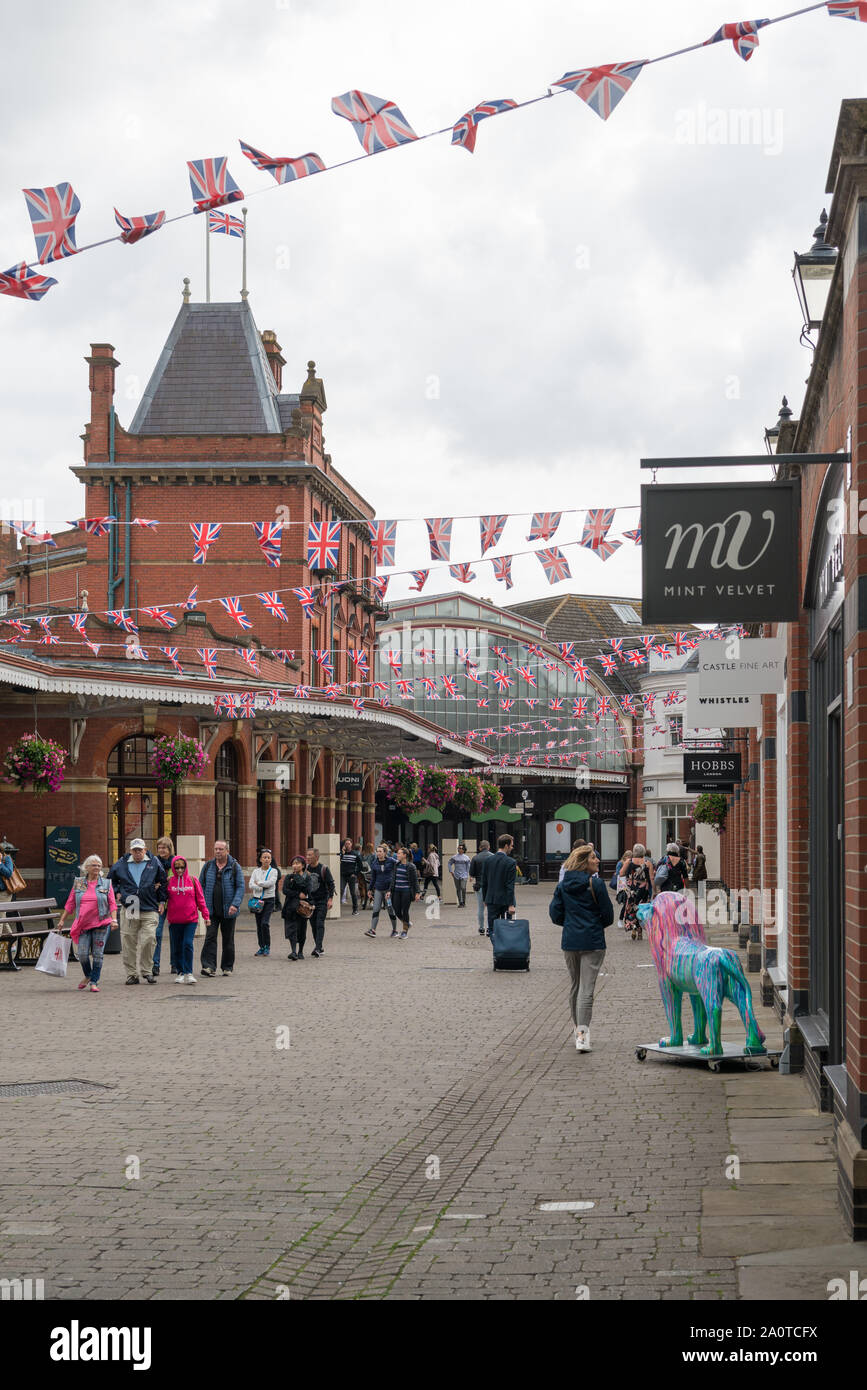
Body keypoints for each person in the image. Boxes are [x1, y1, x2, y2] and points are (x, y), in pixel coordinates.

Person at [549, 844, 613, 1053]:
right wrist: (593, 925)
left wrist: (571, 925)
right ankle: (582, 1036)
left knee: (576, 986)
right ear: (585, 862)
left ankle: (578, 1031)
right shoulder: (597, 885)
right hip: (593, 941)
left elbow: (555, 914)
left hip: (570, 942)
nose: (598, 861)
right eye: (594, 858)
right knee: (586, 990)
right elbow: (609, 916)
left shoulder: (562, 886)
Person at [109, 838, 167, 985]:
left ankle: (147, 971)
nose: (137, 853)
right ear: (130, 851)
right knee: (129, 941)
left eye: (140, 850)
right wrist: (117, 892)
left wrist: (162, 901)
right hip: (130, 905)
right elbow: (110, 880)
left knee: (149, 939)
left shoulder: (154, 862)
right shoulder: (121, 864)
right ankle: (131, 974)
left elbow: (163, 881)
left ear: (145, 850)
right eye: (135, 850)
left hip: (150, 906)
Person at [57, 855, 117, 993]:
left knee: (97, 954)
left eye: (99, 865)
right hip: (83, 924)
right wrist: (62, 919)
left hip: (101, 923)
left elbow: (112, 904)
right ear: (87, 867)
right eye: (94, 865)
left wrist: (114, 920)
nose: (96, 867)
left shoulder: (106, 883)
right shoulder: (79, 883)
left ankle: (94, 982)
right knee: (83, 954)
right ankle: (89, 975)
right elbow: (70, 902)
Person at [198, 840, 244, 977]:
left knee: (228, 939)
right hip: (211, 910)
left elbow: (241, 887)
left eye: (221, 849)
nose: (218, 851)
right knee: (210, 936)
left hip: (229, 910)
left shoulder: (235, 866)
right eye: (216, 849)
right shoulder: (208, 866)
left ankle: (227, 967)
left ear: (227, 851)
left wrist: (235, 904)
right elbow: (200, 886)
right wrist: (203, 905)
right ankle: (208, 966)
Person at [165, 854, 209, 983]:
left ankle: (189, 972)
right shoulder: (169, 881)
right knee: (177, 946)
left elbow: (200, 900)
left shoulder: (193, 880)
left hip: (190, 920)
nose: (179, 870)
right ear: (173, 868)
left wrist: (206, 916)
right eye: (177, 868)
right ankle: (180, 971)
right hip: (174, 920)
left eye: (182, 868)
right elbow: (162, 898)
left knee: (187, 944)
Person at [481, 833, 517, 938]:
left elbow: (484, 882)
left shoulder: (488, 861)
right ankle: (504, 949)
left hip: (491, 899)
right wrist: (511, 904)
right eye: (511, 845)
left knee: (492, 929)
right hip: (505, 901)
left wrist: (485, 899)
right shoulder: (511, 862)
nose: (512, 848)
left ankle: (497, 948)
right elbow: (510, 885)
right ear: (506, 846)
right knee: (507, 928)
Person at [617, 843, 654, 937]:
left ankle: (633, 927)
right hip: (643, 890)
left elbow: (621, 873)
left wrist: (629, 877)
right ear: (643, 852)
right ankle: (640, 930)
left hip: (631, 890)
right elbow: (652, 878)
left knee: (631, 908)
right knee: (641, 909)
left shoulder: (629, 861)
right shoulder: (648, 863)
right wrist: (654, 890)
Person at [282, 857, 315, 960]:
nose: (295, 865)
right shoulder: (288, 877)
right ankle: (293, 952)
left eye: (297, 863)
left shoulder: (308, 877)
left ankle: (300, 951)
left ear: (303, 865)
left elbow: (308, 891)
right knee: (292, 929)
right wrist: (297, 894)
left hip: (302, 908)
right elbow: (285, 890)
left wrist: (311, 902)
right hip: (290, 907)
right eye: (293, 864)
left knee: (301, 930)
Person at [305, 847, 336, 957]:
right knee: (313, 924)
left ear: (316, 857)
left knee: (319, 923)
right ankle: (320, 946)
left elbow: (331, 884)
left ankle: (317, 948)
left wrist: (330, 899)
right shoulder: (305, 869)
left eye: (310, 855)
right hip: (310, 902)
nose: (307, 857)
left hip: (322, 900)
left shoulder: (323, 869)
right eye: (307, 855)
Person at [151, 835, 174, 977]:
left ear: (169, 849)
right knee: (157, 934)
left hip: (174, 902)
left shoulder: (176, 863)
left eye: (164, 847)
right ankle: (155, 965)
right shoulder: (153, 863)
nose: (161, 850)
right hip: (158, 903)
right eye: (159, 847)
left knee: (174, 934)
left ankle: (175, 964)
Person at [364, 844, 399, 938]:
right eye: (377, 851)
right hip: (378, 889)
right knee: (375, 909)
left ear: (385, 852)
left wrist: (392, 888)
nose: (378, 853)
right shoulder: (374, 863)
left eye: (380, 851)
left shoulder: (391, 861)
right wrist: (370, 889)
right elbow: (373, 878)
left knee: (390, 910)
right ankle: (373, 930)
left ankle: (395, 930)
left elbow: (400, 865)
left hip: (389, 890)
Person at [249, 848, 279, 956]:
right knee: (258, 924)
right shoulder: (255, 871)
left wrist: (259, 884)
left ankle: (267, 946)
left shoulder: (274, 871)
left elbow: (271, 883)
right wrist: (261, 885)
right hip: (257, 900)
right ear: (260, 859)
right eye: (264, 857)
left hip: (269, 900)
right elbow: (250, 884)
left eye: (269, 857)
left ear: (271, 860)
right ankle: (261, 946)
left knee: (264, 923)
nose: (266, 859)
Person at [389, 845, 420, 939]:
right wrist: (389, 890)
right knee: (397, 910)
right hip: (396, 891)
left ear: (405, 855)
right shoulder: (396, 864)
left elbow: (415, 881)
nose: (397, 855)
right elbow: (393, 879)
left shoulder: (411, 866)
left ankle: (404, 931)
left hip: (406, 891)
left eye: (399, 853)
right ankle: (407, 923)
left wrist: (417, 893)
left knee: (405, 911)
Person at [469, 840, 493, 935]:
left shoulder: (475, 858)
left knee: (480, 908)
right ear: (489, 847)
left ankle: (481, 927)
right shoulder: (493, 857)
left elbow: (472, 873)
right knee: (491, 908)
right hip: (491, 886)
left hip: (479, 885)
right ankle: (489, 928)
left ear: (480, 848)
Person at [339, 838, 363, 915]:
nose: (347, 845)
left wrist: (355, 873)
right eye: (346, 844)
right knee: (341, 890)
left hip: (351, 876)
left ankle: (355, 909)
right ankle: (337, 909)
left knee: (353, 893)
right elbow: (337, 861)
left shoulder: (355, 854)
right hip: (342, 875)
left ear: (351, 844)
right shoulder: (341, 853)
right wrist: (342, 853)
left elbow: (360, 866)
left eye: (349, 844)